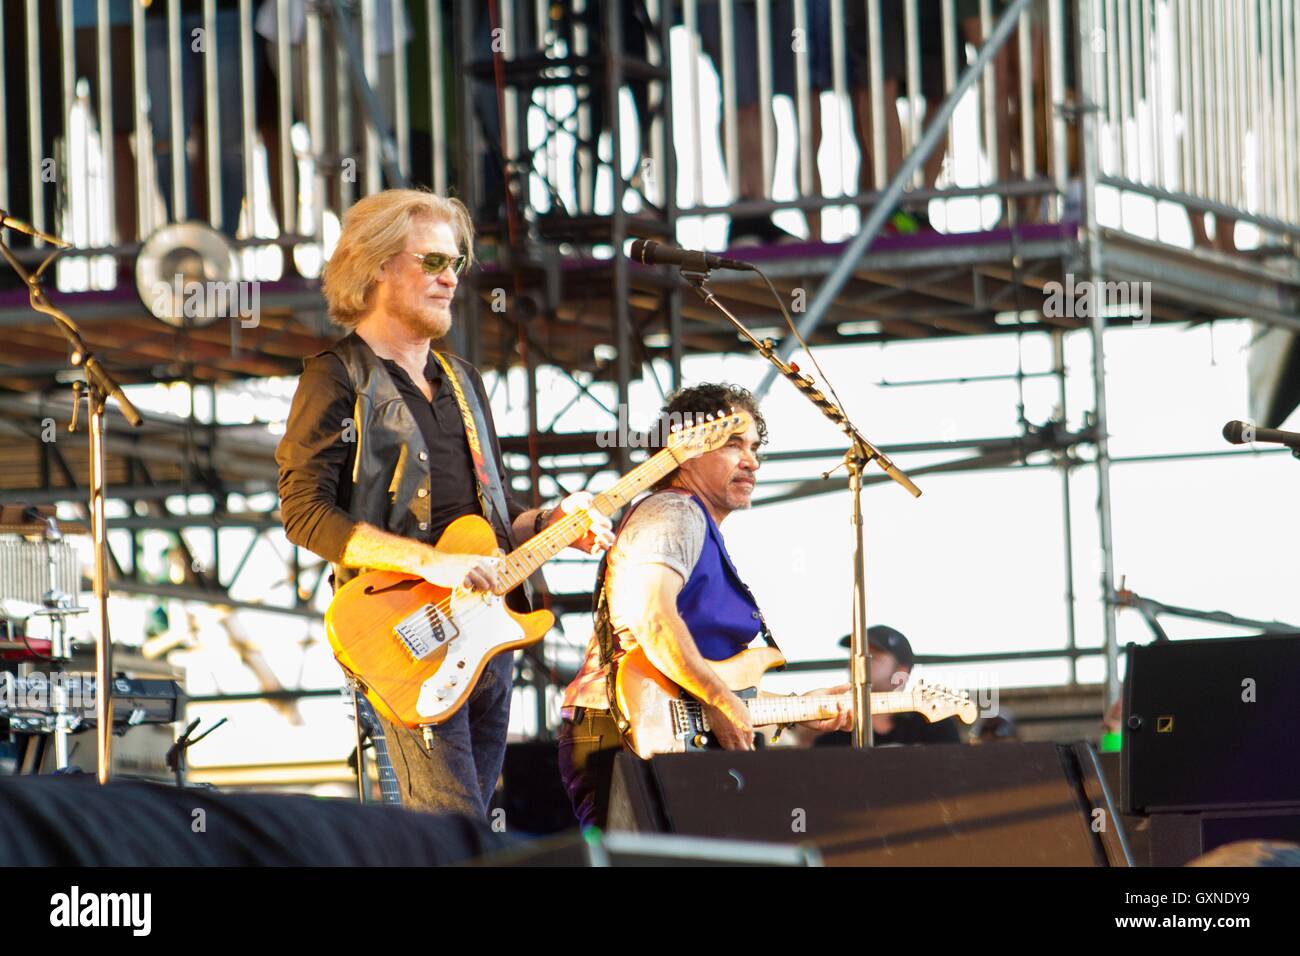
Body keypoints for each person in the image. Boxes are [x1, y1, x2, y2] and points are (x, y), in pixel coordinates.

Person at [275, 188, 613, 817]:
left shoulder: (464, 379)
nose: (450, 278)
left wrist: (552, 521)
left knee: (470, 834)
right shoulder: (336, 376)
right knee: (451, 834)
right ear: (378, 265)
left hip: (486, 634)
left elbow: (494, 515)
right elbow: (303, 512)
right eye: (432, 262)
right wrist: (433, 565)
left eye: (456, 264)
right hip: (403, 635)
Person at [558, 383, 851, 827]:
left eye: (754, 447)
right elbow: (652, 617)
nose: (750, 460)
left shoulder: (691, 521)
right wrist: (718, 698)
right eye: (733, 444)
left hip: (647, 726)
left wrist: (800, 708)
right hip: (622, 728)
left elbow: (707, 685)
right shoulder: (673, 512)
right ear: (685, 450)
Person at [808, 625, 963, 747]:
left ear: (901, 671)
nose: (856, 663)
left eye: (871, 657)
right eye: (854, 655)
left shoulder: (934, 725)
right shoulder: (832, 735)